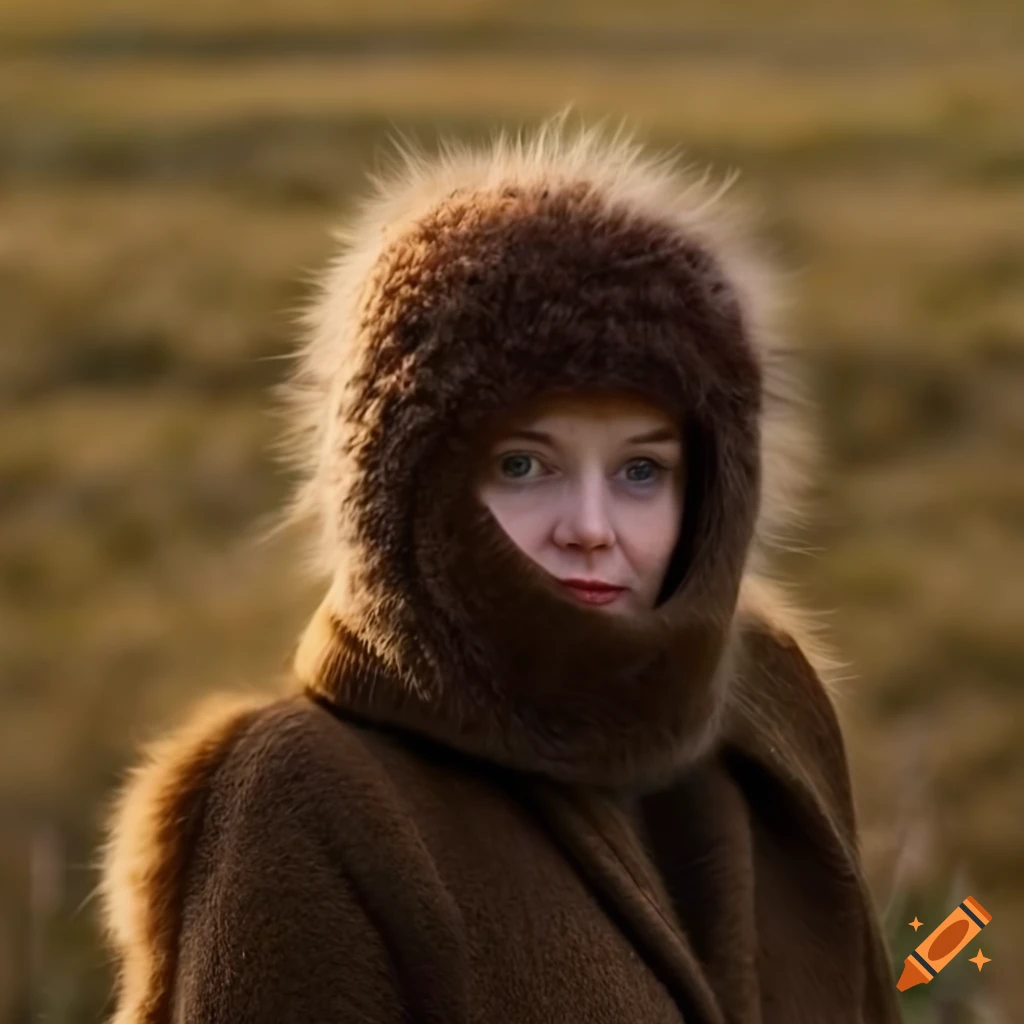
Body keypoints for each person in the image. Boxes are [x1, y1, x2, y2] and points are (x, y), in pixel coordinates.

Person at [98, 111, 902, 1023]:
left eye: (642, 471)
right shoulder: (306, 796)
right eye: (524, 466)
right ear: (405, 486)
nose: (591, 528)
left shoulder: (767, 703)